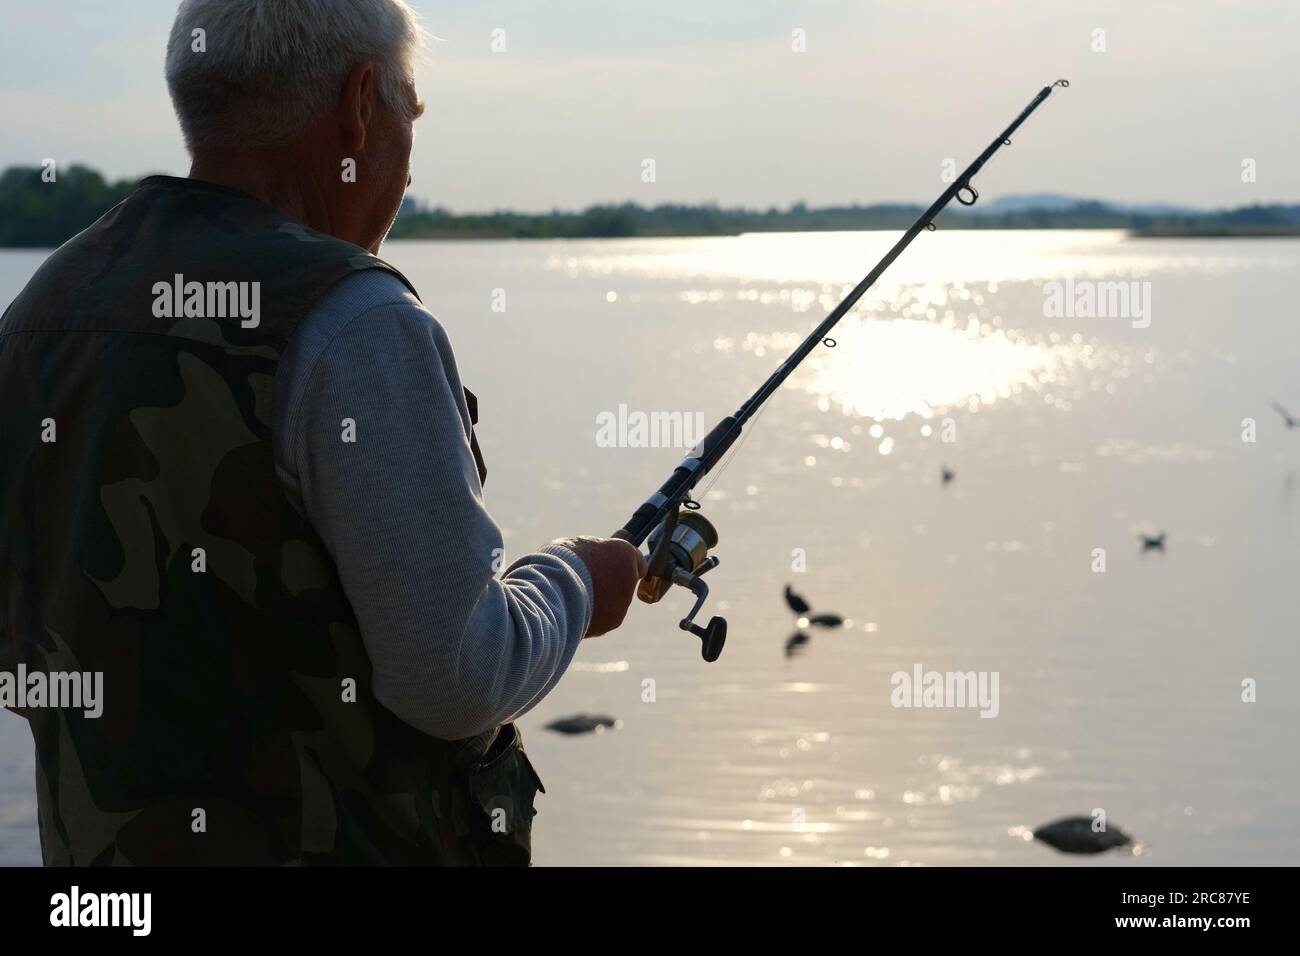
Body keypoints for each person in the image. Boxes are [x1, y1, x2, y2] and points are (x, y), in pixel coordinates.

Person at [0, 0, 645, 866]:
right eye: (410, 110)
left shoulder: (43, 310)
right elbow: (454, 677)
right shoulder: (356, 322)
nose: (410, 163)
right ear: (359, 105)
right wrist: (574, 582)